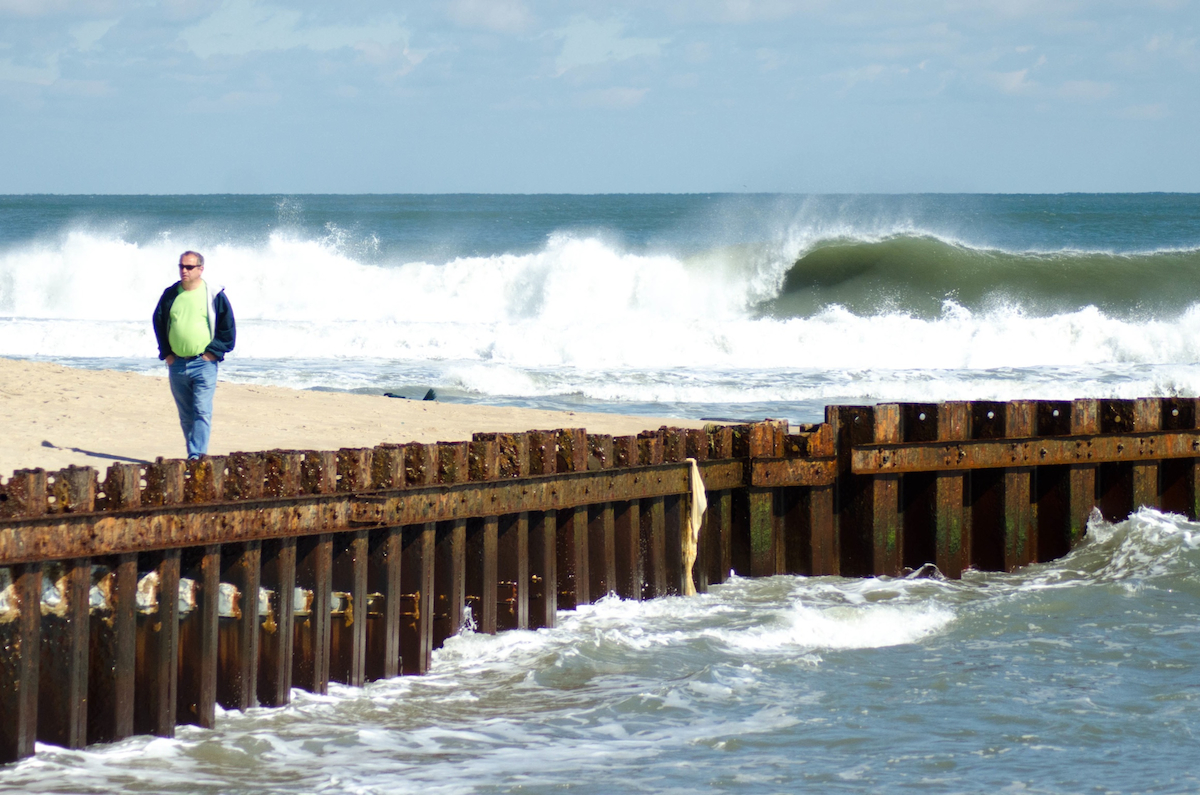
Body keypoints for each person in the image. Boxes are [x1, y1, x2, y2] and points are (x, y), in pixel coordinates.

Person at [151, 251, 236, 459]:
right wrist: (167, 354)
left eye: (189, 267)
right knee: (186, 415)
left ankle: (197, 455)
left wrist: (213, 353)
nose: (184, 271)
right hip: (177, 364)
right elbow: (159, 322)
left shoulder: (214, 294)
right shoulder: (171, 294)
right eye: (181, 266)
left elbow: (228, 328)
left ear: (200, 269)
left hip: (203, 364)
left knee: (201, 411)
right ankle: (193, 454)